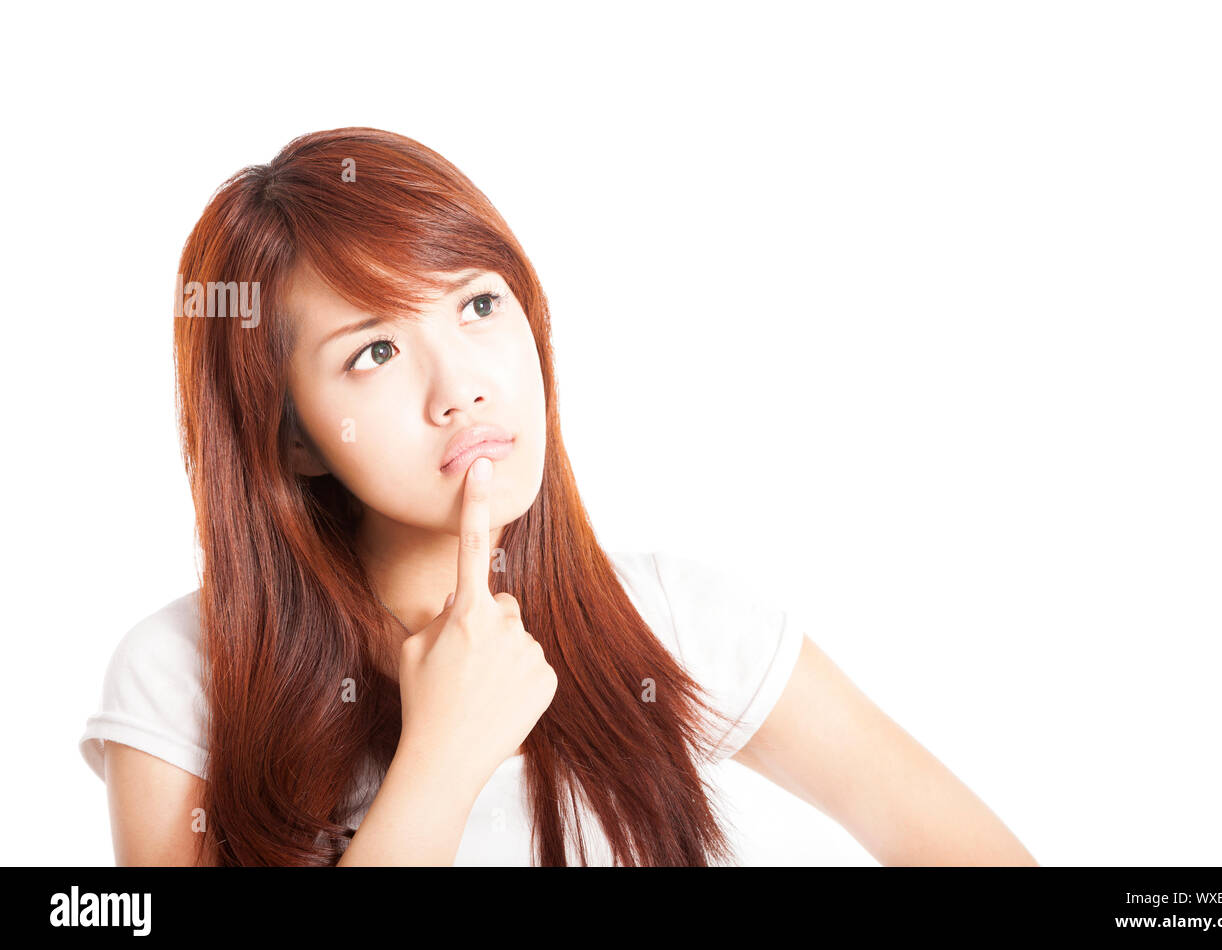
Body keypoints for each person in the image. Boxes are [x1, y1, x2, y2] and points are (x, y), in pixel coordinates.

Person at [79, 127, 1038, 866]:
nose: (461, 387)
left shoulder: (671, 619)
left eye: (479, 306)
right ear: (294, 434)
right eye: (374, 351)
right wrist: (442, 757)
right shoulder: (183, 676)